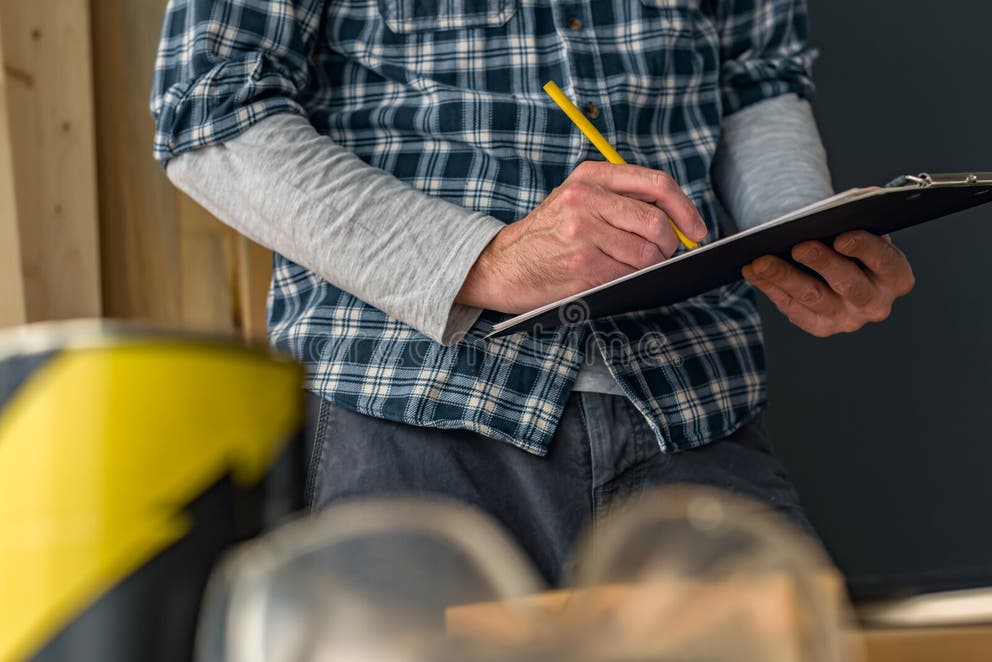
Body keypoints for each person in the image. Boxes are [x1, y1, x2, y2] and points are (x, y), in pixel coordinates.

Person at [152, 0, 915, 583]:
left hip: (694, 408)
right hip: (413, 421)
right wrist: (486, 260)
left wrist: (801, 236)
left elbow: (758, 81)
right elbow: (210, 112)